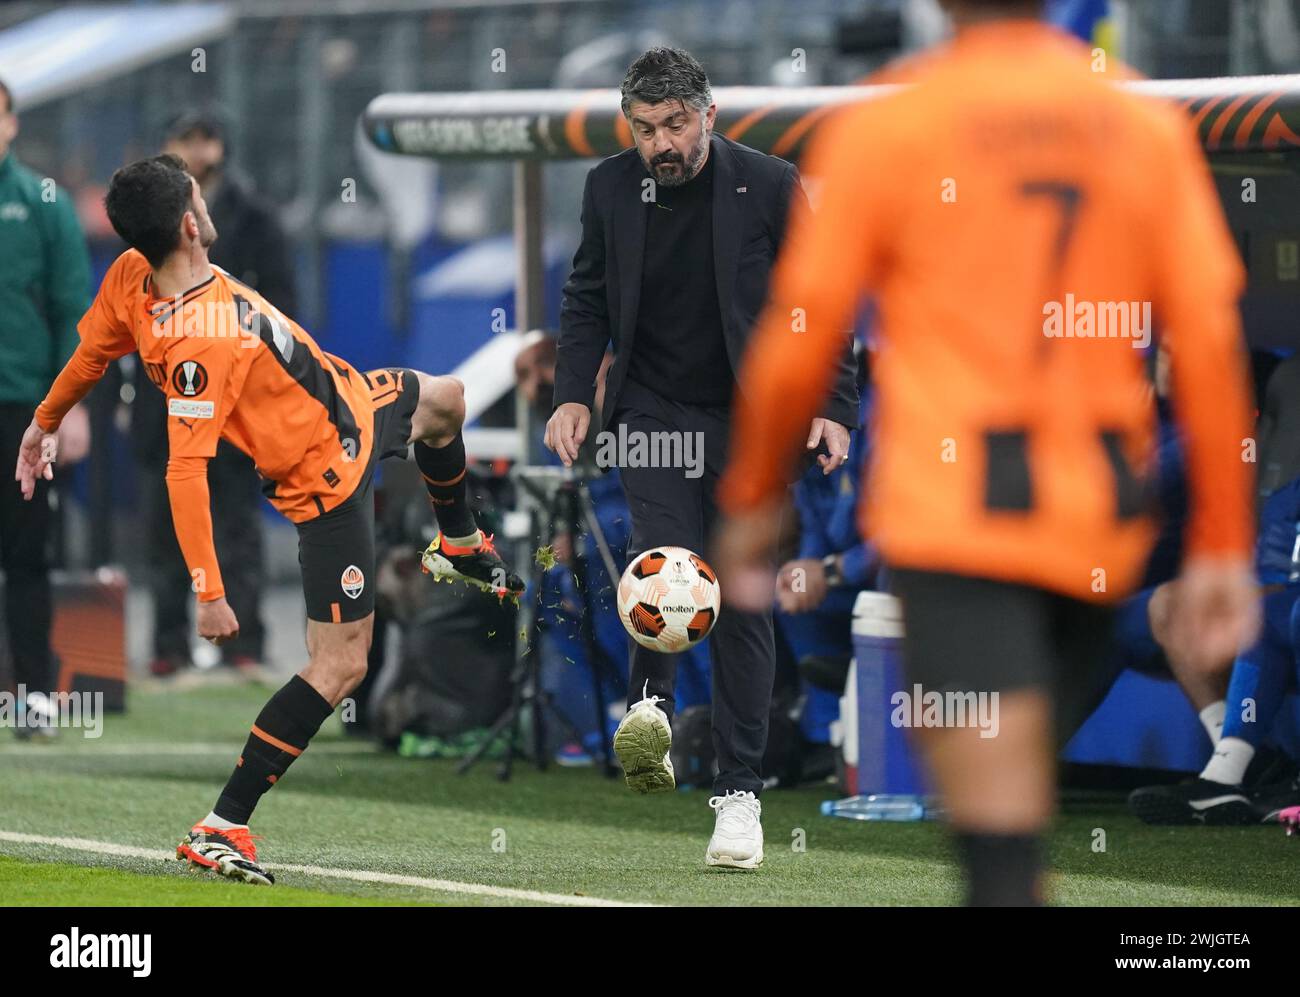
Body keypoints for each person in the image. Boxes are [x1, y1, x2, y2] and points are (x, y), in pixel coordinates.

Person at [712, 0, 1259, 905]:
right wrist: (1223, 547)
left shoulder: (897, 120)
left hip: (959, 518)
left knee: (998, 850)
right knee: (1015, 826)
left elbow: (798, 341)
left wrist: (752, 492)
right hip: (1094, 528)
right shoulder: (1135, 119)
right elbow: (1207, 346)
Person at [16, 154, 523, 885]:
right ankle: (222, 824)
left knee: (445, 401)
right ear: (191, 222)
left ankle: (460, 540)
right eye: (199, 192)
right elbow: (184, 470)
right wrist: (210, 592)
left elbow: (92, 354)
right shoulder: (199, 338)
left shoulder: (132, 274)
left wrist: (44, 421)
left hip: (350, 398)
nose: (207, 198)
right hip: (326, 479)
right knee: (340, 664)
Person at [545, 46, 859, 869]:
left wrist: (834, 406)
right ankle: (649, 709)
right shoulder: (610, 187)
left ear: (708, 115)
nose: (662, 143)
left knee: (742, 600)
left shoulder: (771, 184)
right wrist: (572, 393)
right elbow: (584, 295)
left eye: (676, 124)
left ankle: (740, 797)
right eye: (645, 128)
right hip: (652, 410)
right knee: (670, 560)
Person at [133, 109, 294, 675]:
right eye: (186, 139)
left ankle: (243, 643)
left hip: (238, 397)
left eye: (206, 140)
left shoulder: (255, 219)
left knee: (236, 524)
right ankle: (167, 645)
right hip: (166, 395)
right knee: (166, 524)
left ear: (222, 148)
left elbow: (280, 308)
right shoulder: (147, 218)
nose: (198, 151)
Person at [0, 76, 92, 736]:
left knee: (27, 553)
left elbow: (73, 312)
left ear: (10, 123)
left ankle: (34, 693)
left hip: (23, 408)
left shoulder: (42, 201)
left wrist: (68, 408)